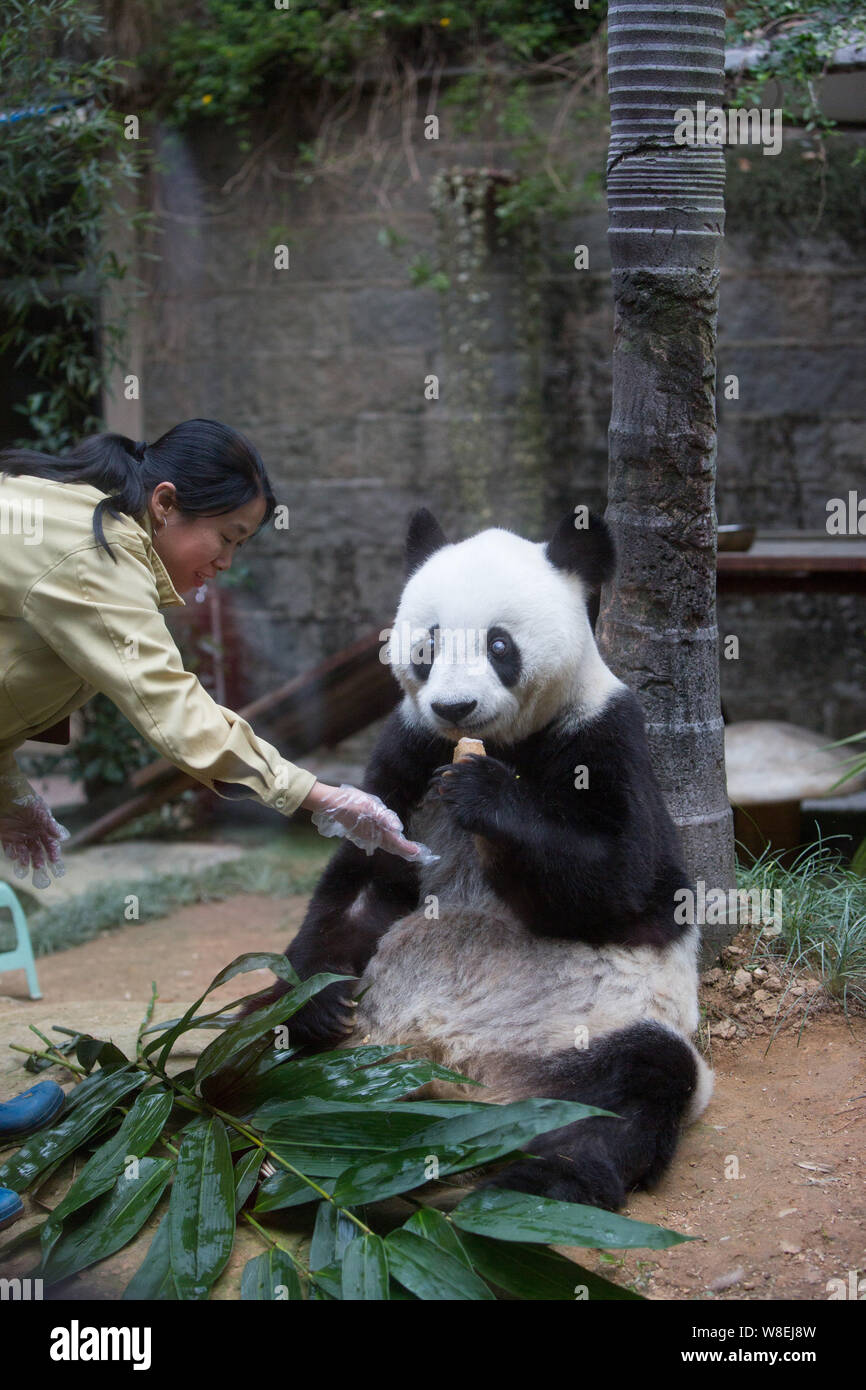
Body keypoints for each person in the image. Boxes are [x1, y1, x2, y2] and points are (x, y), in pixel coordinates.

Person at [0, 418, 426, 887]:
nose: (226, 562)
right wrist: (321, 796)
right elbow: (173, 709)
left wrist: (9, 794)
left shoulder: (79, 527)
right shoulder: (96, 554)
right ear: (164, 502)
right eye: (226, 537)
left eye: (239, 546)